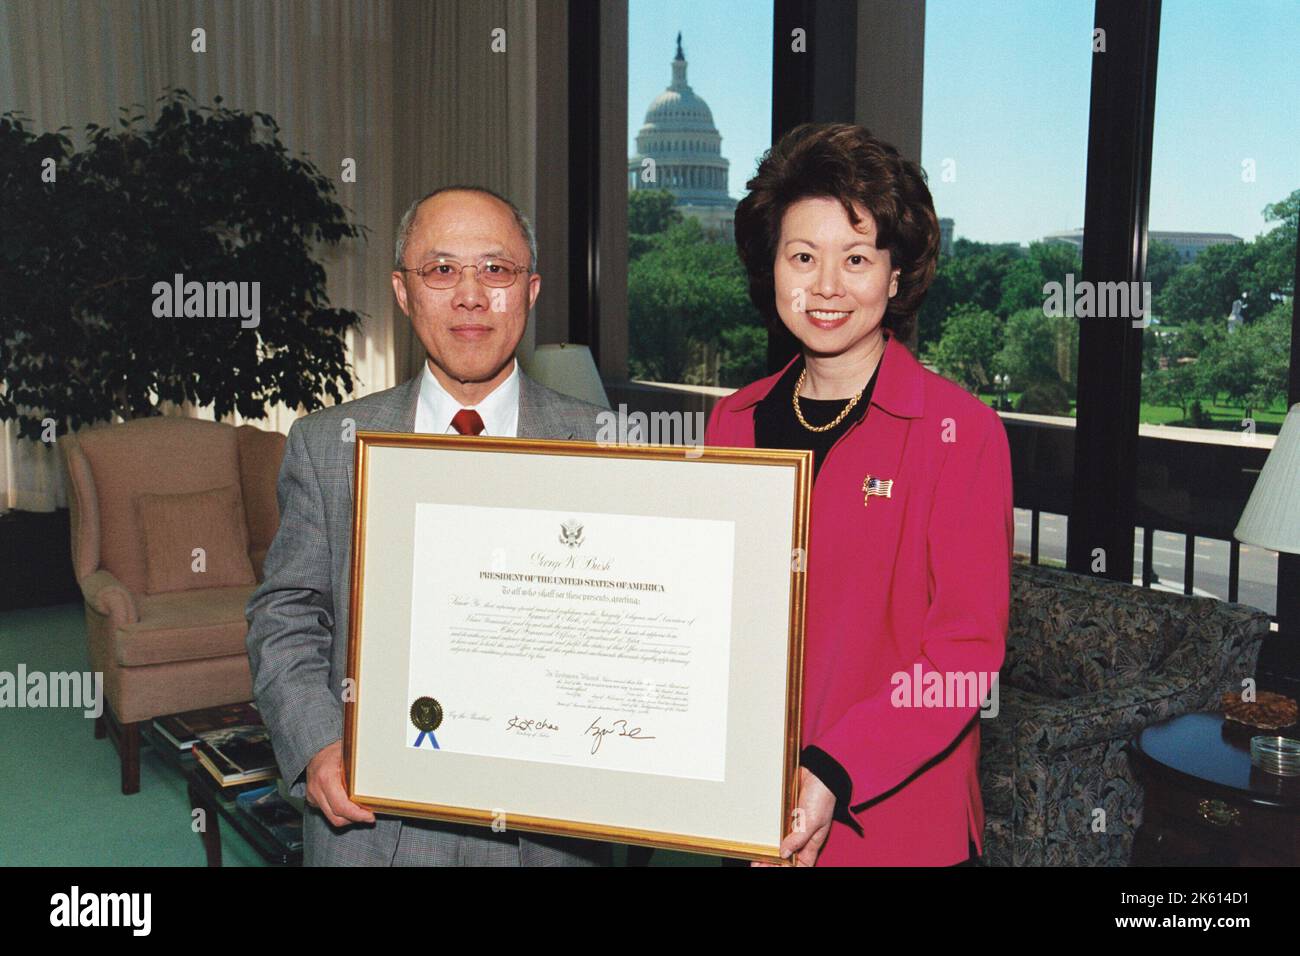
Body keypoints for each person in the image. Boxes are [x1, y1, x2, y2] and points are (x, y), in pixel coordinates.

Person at [245, 186, 611, 866]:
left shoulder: (604, 447)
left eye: (496, 270)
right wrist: (319, 743)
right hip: (374, 825)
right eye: (441, 270)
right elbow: (285, 616)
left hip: (546, 830)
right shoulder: (329, 446)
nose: (471, 296)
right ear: (404, 292)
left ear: (530, 290)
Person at [705, 124, 1013, 866]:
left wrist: (836, 769)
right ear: (770, 268)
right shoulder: (732, 421)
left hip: (895, 826)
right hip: (745, 805)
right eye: (802, 257)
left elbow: (965, 660)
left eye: (857, 258)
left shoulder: (959, 433)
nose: (827, 287)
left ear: (896, 274)